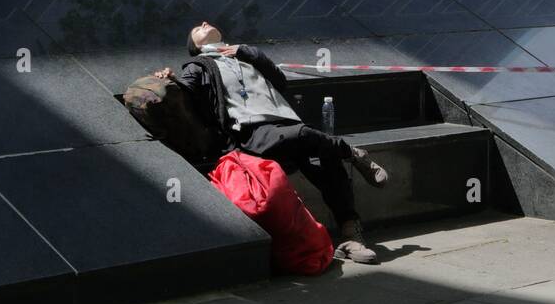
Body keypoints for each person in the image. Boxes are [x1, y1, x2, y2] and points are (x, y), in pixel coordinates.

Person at [154, 21, 389, 264]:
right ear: (196, 46)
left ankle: (351, 236)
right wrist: (168, 80)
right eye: (197, 29)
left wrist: (250, 53)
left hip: (283, 123)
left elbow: (280, 81)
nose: (203, 23)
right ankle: (353, 153)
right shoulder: (199, 65)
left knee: (326, 158)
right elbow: (188, 93)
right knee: (305, 136)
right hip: (249, 132)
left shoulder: (245, 56)